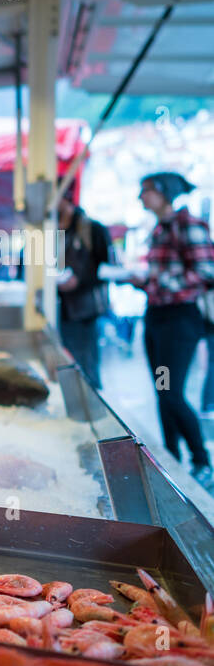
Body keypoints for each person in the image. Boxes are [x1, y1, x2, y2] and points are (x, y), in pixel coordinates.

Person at [133, 171, 214, 487]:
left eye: (146, 190)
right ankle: (171, 460)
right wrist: (145, 282)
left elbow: (207, 271)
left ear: (164, 192)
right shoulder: (159, 229)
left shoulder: (188, 225)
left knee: (170, 391)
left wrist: (162, 282)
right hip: (156, 317)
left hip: (179, 321)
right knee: (162, 391)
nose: (141, 197)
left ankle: (201, 461)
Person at [56, 195, 112, 390]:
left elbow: (107, 268)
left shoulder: (92, 229)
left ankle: (93, 413)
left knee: (87, 368)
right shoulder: (49, 229)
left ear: (65, 198)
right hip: (59, 309)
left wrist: (78, 281)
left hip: (84, 311)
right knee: (67, 366)